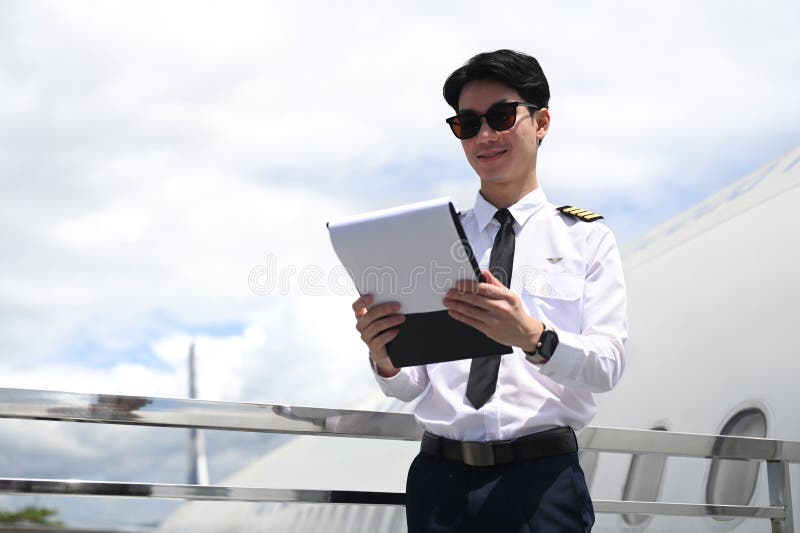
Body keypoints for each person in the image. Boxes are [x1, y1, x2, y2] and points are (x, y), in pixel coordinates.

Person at [352, 49, 627, 533]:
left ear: (541, 122)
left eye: (501, 116)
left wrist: (533, 337)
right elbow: (413, 384)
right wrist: (386, 358)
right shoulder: (429, 239)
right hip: (440, 484)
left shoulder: (586, 238)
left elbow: (607, 365)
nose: (484, 136)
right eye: (467, 124)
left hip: (541, 485)